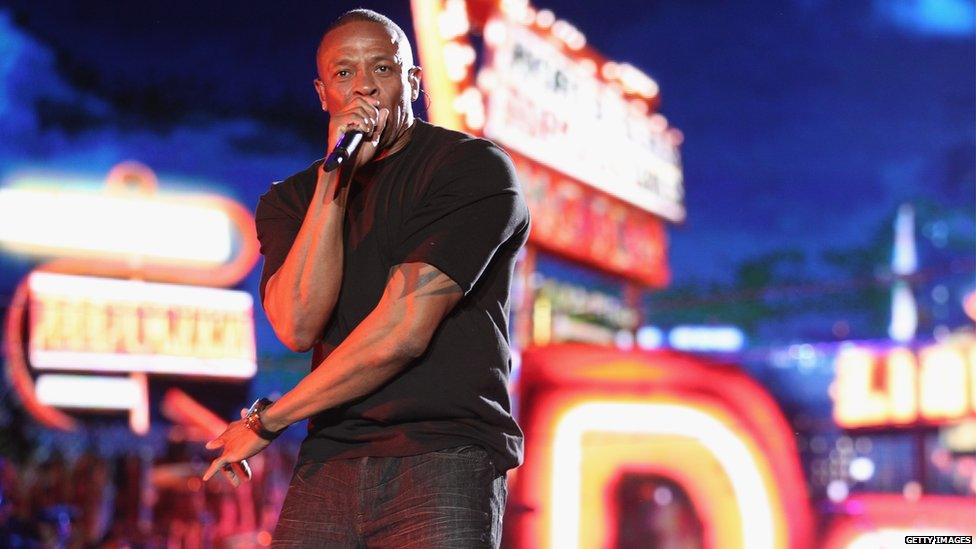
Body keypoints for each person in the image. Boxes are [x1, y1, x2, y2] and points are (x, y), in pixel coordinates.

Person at [202, 8, 529, 548]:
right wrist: (335, 180)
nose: (364, 87)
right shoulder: (291, 200)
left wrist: (268, 421)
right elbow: (298, 324)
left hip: (442, 454)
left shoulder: (471, 169)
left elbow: (401, 332)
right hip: (329, 457)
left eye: (382, 68)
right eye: (344, 73)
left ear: (413, 82)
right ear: (322, 93)